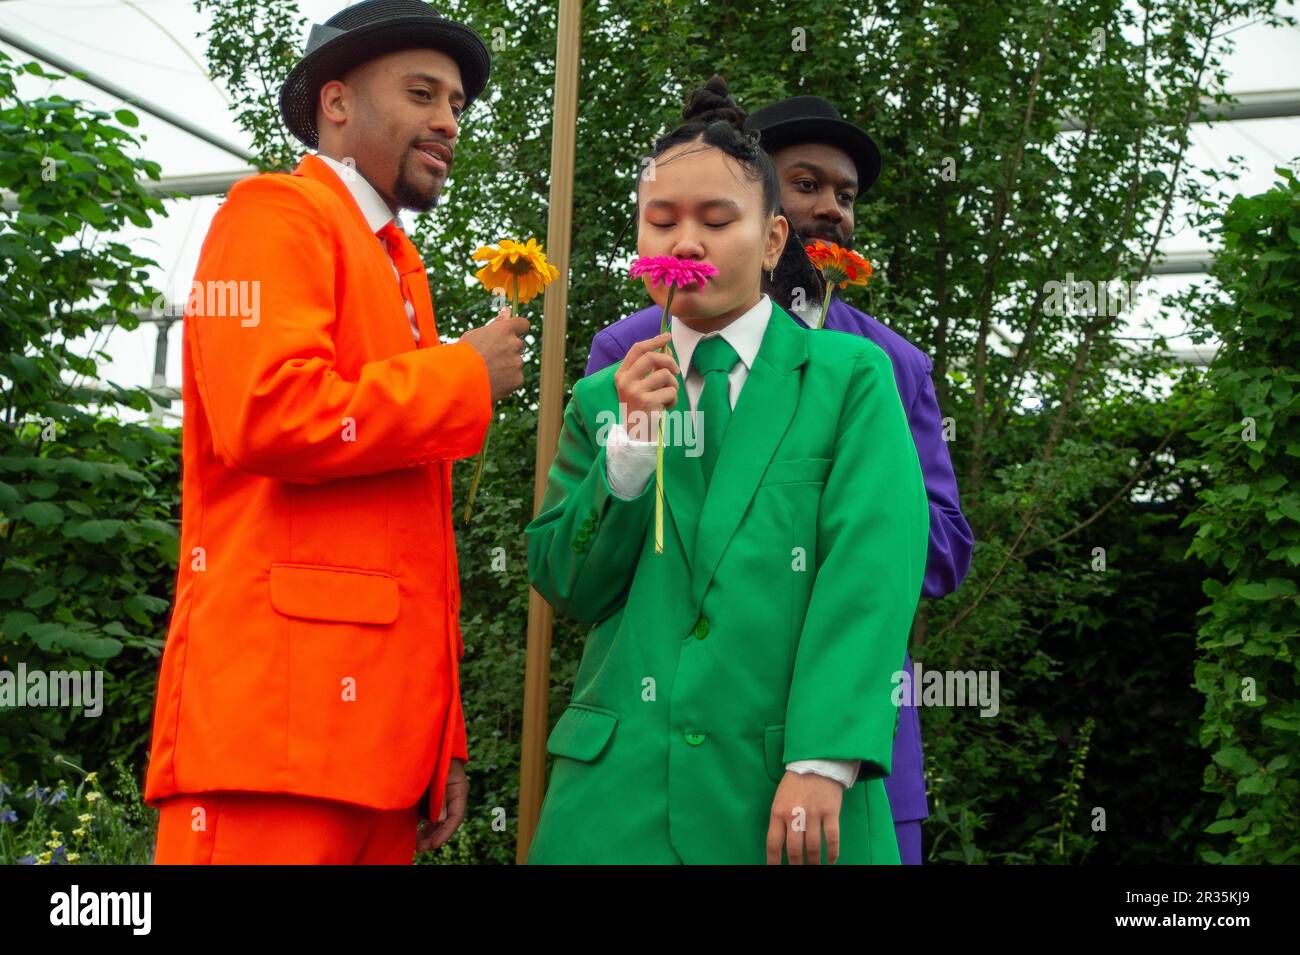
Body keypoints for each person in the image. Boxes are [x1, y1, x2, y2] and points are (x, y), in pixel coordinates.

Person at [144, 0, 530, 864]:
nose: (447, 121)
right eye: (423, 93)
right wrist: (465, 376)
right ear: (336, 102)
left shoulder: (397, 263)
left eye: (458, 105)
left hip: (382, 757)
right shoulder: (273, 211)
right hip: (274, 743)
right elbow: (268, 414)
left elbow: (407, 546)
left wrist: (443, 736)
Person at [525, 76, 929, 864]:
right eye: (662, 220)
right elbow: (566, 582)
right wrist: (630, 453)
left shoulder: (850, 377)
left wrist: (823, 758)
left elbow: (872, 572)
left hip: (790, 795)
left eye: (718, 220)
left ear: (774, 241)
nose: (686, 242)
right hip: (618, 802)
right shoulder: (601, 395)